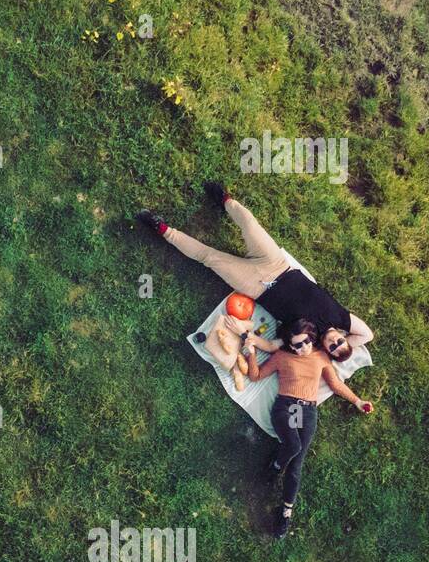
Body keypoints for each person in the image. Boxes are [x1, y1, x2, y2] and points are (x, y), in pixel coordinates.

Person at [138, 182, 374, 360]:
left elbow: (272, 346)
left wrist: (317, 353)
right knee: (251, 225)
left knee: (209, 257)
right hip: (277, 265)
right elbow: (367, 335)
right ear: (343, 335)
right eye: (340, 342)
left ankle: (162, 229)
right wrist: (346, 346)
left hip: (256, 287)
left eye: (333, 349)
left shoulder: (303, 342)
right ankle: (225, 200)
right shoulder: (341, 318)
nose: (333, 343)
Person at [242, 319, 373, 538]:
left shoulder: (321, 357)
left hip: (309, 411)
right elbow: (255, 376)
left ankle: (285, 513)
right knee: (293, 445)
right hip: (289, 407)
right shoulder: (282, 357)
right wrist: (251, 352)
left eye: (305, 342)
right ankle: (274, 467)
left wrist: (357, 401)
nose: (302, 348)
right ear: (290, 346)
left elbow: (335, 384)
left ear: (311, 338)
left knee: (297, 464)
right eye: (296, 345)